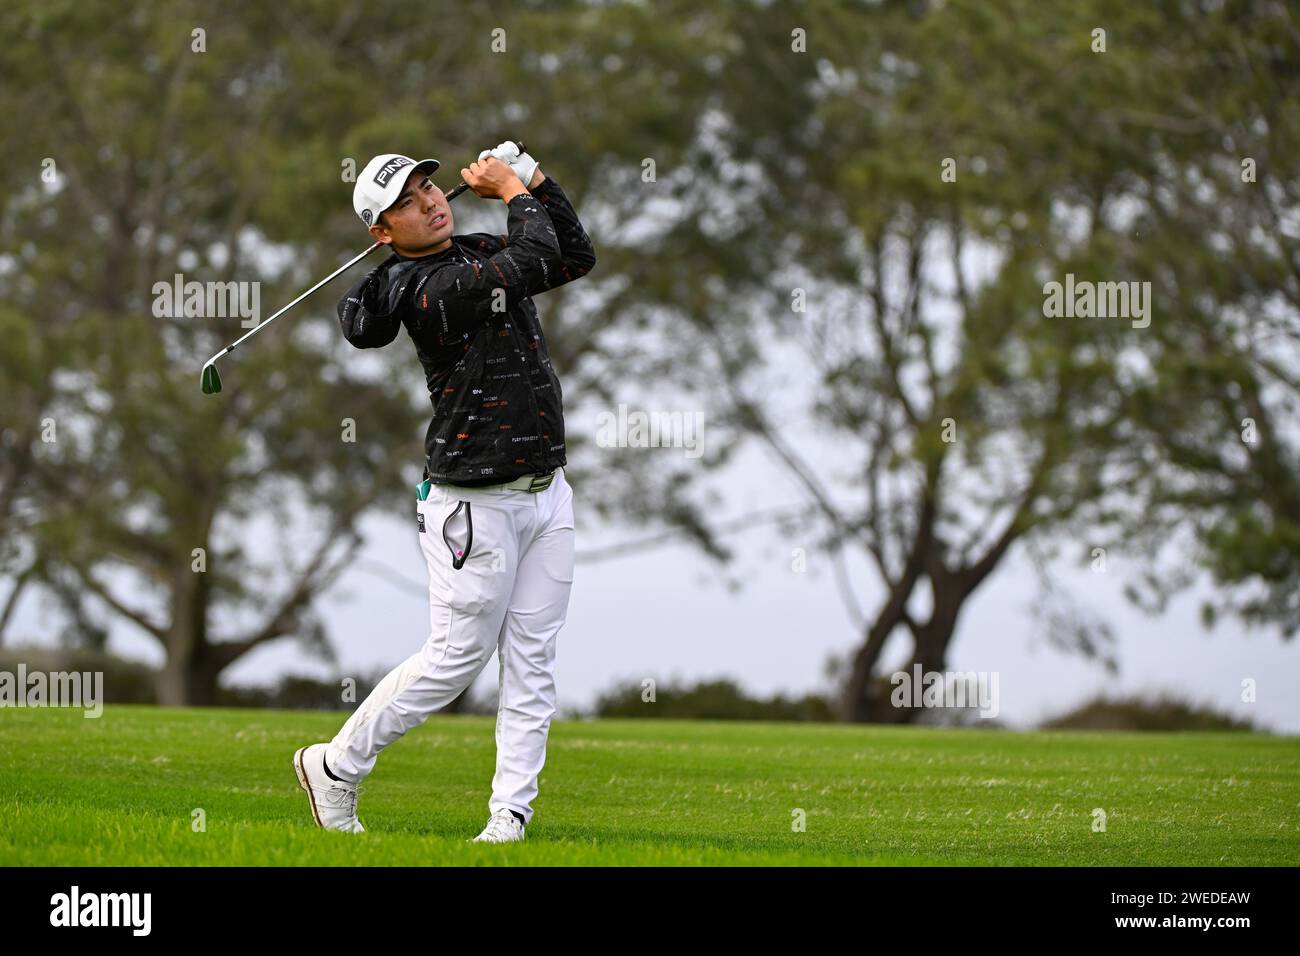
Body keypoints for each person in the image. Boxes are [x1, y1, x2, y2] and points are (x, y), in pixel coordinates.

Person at [293, 142, 596, 843]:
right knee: (456, 660)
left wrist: (540, 182)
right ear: (383, 233)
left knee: (532, 662)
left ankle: (508, 820)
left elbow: (572, 257)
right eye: (404, 202)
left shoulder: (474, 251)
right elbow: (524, 263)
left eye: (427, 188)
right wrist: (514, 191)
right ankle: (337, 765)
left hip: (548, 493)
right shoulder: (419, 289)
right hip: (474, 504)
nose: (428, 202)